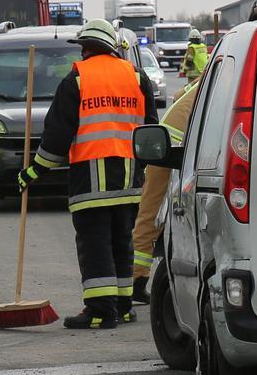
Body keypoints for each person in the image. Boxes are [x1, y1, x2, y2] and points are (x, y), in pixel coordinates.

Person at [21, 18, 157, 329]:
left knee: (95, 244)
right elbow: (150, 127)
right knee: (122, 242)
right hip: (129, 179)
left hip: (91, 182)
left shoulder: (77, 79)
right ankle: (123, 307)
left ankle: (99, 311)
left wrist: (32, 173)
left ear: (86, 48)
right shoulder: (136, 76)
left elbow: (56, 138)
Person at [130, 63, 205, 306]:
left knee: (153, 213)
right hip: (169, 148)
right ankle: (135, 282)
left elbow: (178, 95)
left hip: (176, 142)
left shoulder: (216, 73)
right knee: (151, 215)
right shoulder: (227, 77)